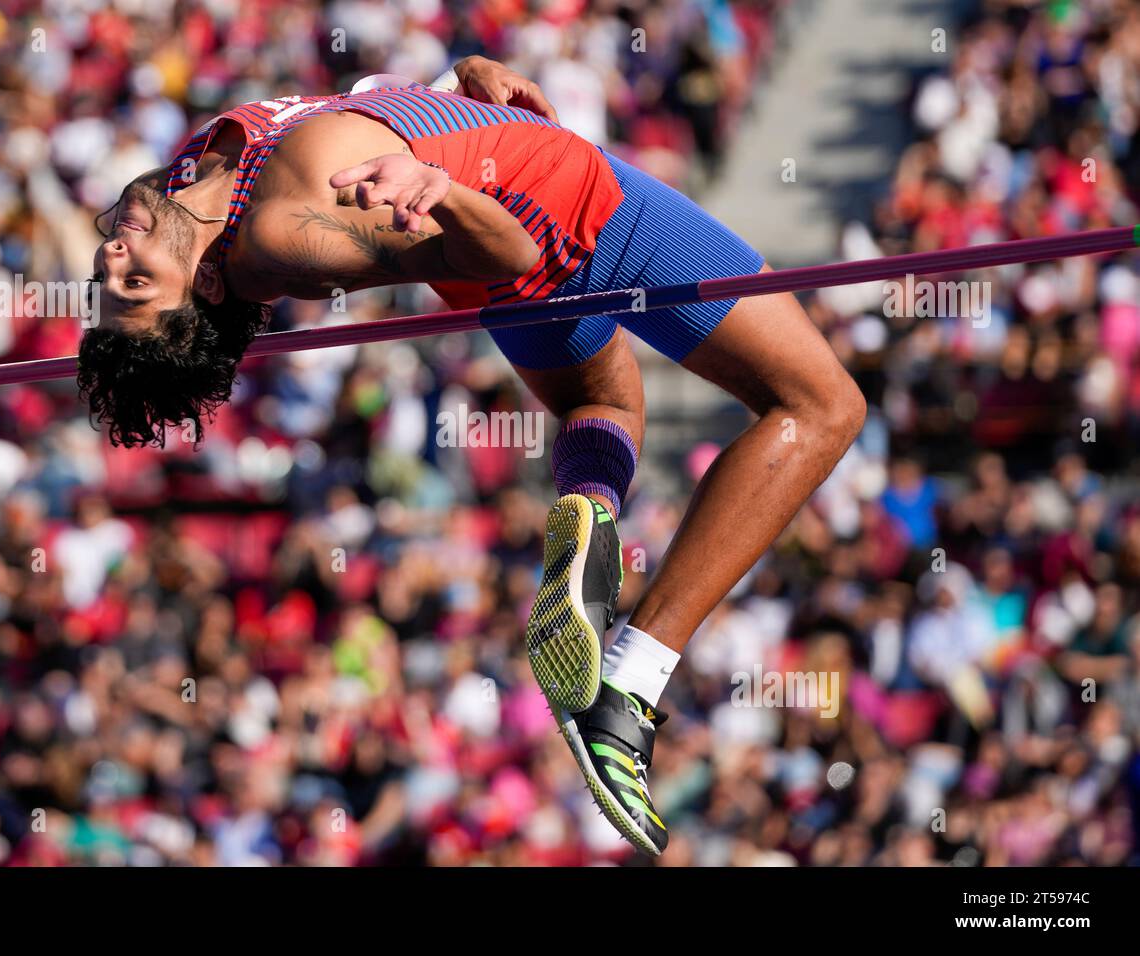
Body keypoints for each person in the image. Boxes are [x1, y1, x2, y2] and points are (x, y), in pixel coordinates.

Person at [77, 55, 865, 855]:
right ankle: (633, 682)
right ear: (207, 286)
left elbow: (342, 125)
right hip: (567, 208)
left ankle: (590, 515)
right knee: (822, 406)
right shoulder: (291, 236)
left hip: (516, 182)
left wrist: (443, 94)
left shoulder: (177, 178)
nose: (113, 259)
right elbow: (510, 258)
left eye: (108, 283)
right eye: (137, 288)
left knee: (603, 406)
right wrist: (445, 189)